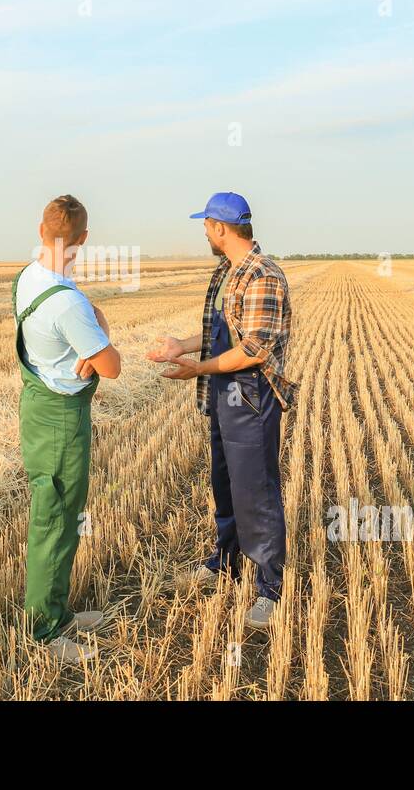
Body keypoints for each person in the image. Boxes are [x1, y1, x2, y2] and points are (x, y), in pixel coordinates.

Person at [147, 192, 296, 631]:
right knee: (225, 484)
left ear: (221, 228)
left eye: (207, 226)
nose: (204, 233)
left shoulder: (263, 276)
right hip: (223, 392)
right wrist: (182, 346)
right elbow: (221, 332)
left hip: (251, 394)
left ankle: (270, 588)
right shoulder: (226, 271)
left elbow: (252, 349)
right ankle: (225, 562)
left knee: (257, 492)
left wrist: (200, 368)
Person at [13, 194, 122, 663]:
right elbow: (112, 366)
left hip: (39, 404)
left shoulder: (31, 277)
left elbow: (83, 332)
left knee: (54, 515)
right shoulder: (69, 303)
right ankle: (46, 630)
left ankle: (57, 609)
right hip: (61, 419)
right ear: (83, 241)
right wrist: (99, 329)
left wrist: (88, 328)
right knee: (56, 522)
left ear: (41, 231)